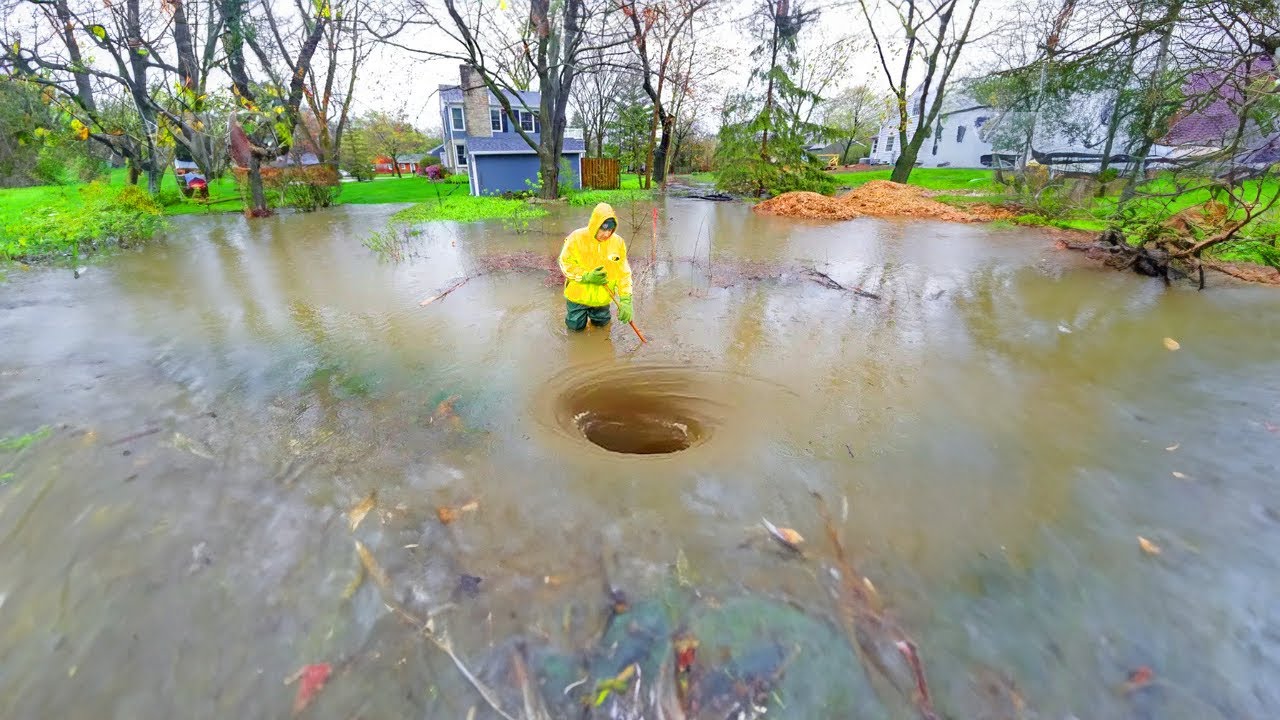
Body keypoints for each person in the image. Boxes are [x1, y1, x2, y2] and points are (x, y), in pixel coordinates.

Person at [558, 202, 634, 332]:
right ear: (595, 225)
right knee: (574, 328)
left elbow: (623, 273)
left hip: (602, 298)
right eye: (603, 229)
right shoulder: (576, 238)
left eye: (610, 230)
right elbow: (565, 263)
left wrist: (626, 300)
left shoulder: (618, 242)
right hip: (577, 297)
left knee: (602, 328)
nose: (606, 234)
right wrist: (586, 276)